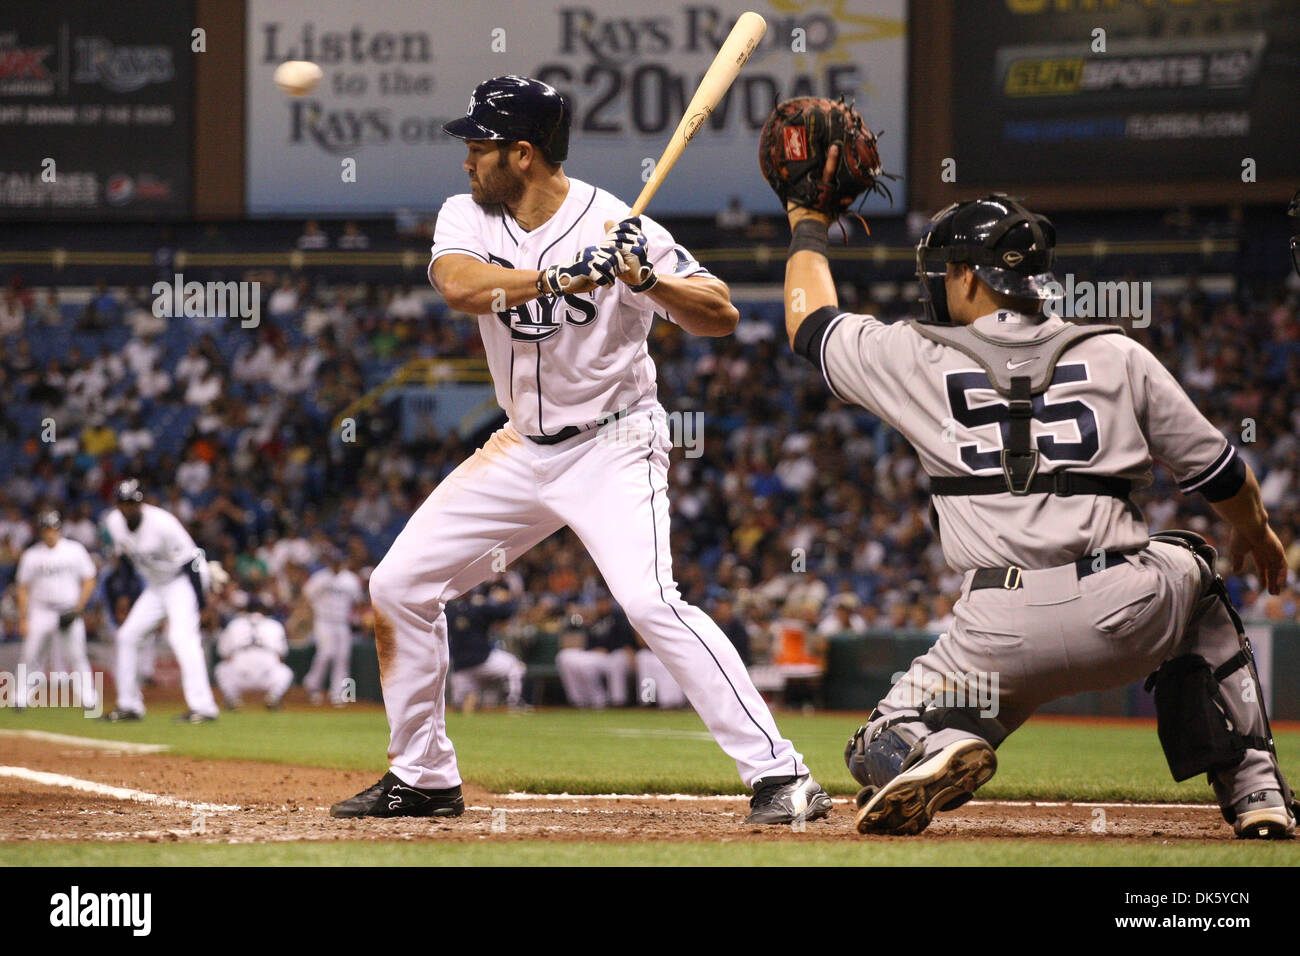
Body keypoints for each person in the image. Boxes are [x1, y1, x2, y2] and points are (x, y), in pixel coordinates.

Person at [331, 75, 831, 825]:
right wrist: (560, 275)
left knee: (649, 600)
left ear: (523, 154)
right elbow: (463, 289)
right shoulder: (467, 213)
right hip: (519, 445)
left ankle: (781, 776)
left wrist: (647, 278)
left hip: (614, 443)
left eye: (481, 146)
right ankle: (424, 776)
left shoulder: (621, 225)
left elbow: (721, 314)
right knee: (398, 586)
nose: (468, 160)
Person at [782, 190, 1295, 839]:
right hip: (1123, 608)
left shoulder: (913, 354)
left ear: (968, 275)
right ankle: (1255, 789)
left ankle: (922, 749)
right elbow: (1223, 475)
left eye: (944, 271)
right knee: (1193, 566)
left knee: (872, 742)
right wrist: (1258, 533)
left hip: (995, 634)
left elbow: (808, 321)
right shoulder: (1117, 352)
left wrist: (807, 222)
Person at [101, 479, 220, 723]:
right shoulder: (114, 523)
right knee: (127, 636)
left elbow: (193, 562)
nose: (127, 508)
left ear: (141, 503)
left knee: (181, 638)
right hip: (155, 586)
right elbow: (124, 560)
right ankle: (129, 705)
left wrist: (202, 604)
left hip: (182, 581)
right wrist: (125, 595)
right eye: (123, 503)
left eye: (132, 503)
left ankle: (204, 707)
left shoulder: (163, 524)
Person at [14, 510, 98, 712]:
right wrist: (23, 618)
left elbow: (89, 579)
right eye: (46, 529)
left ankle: (88, 697)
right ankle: (20, 697)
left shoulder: (74, 550)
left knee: (77, 655)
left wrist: (78, 608)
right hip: (40, 610)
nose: (50, 533)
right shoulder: (32, 555)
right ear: (41, 531)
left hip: (68, 609)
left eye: (53, 529)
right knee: (30, 654)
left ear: (60, 529)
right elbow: (23, 587)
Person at [447, 586, 526, 711]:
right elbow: (508, 611)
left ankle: (475, 700)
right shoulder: (478, 608)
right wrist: (507, 598)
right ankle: (513, 702)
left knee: (460, 705)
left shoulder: (448, 611)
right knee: (515, 666)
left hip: (460, 667)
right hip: (483, 660)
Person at [302, 549, 363, 706]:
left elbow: (358, 601)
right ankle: (313, 686)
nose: (336, 565)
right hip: (324, 621)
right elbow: (307, 596)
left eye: (338, 562)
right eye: (333, 562)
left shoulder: (350, 580)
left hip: (342, 622)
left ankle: (339, 694)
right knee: (326, 654)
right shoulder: (320, 578)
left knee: (342, 657)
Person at [556, 593, 636, 709]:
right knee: (565, 657)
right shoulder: (593, 618)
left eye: (604, 602)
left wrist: (608, 649)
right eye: (599, 602)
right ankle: (582, 700)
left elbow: (625, 640)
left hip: (616, 653)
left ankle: (618, 702)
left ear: (610, 602)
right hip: (598, 655)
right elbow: (586, 642)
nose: (601, 605)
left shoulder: (619, 616)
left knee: (616, 661)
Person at [214, 596, 294, 711]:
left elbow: (223, 654)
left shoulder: (235, 624)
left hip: (240, 676)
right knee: (286, 671)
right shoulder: (274, 625)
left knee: (221, 669)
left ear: (246, 610)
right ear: (265, 610)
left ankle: (233, 699)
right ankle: (273, 697)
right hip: (268, 676)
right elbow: (282, 656)